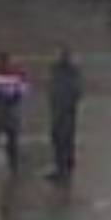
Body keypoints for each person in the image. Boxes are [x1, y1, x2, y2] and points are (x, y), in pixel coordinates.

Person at [46, 46, 83, 183]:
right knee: (61, 138)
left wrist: (69, 105)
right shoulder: (59, 71)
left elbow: (76, 91)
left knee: (61, 139)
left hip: (64, 110)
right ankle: (64, 166)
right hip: (59, 109)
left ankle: (62, 169)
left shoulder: (69, 73)